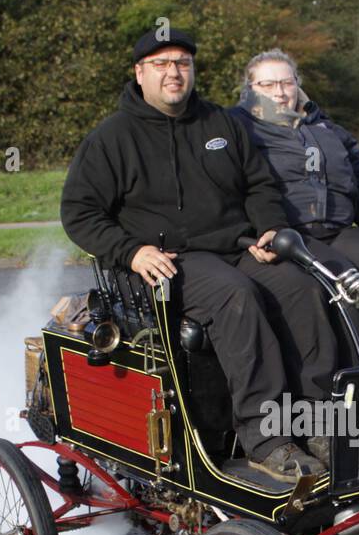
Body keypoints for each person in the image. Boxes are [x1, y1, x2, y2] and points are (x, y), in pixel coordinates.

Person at [60, 29, 335, 481]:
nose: (174, 72)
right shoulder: (110, 139)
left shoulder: (222, 124)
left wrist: (268, 228)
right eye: (162, 64)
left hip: (235, 247)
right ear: (139, 73)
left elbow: (259, 185)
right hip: (162, 262)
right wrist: (131, 252)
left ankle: (315, 425)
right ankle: (265, 440)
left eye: (182, 63)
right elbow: (79, 213)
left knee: (301, 288)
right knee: (237, 297)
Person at [230, 49, 359, 364]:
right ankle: (355, 389)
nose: (279, 92)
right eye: (268, 84)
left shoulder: (324, 126)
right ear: (250, 89)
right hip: (293, 234)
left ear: (298, 85)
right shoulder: (239, 128)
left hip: (341, 229)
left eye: (287, 83)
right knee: (349, 287)